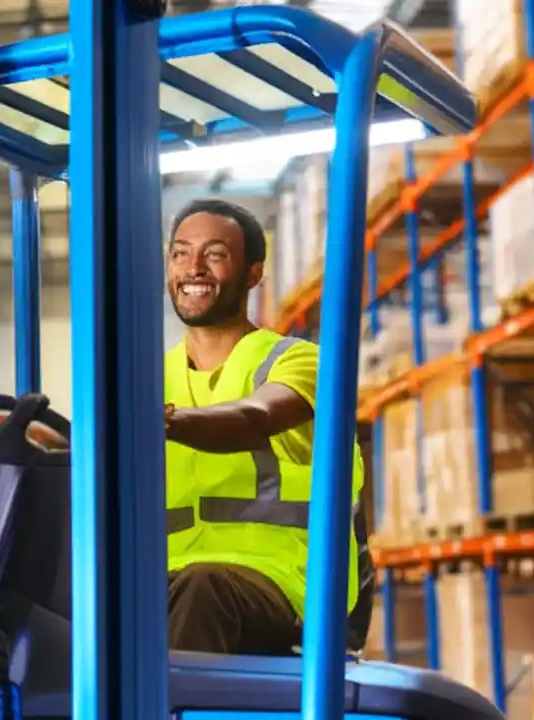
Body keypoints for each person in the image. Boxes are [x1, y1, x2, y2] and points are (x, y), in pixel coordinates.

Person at [162, 198, 373, 657]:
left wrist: (167, 422)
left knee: (203, 590)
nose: (193, 268)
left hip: (282, 581)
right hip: (167, 579)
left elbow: (256, 417)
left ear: (253, 273)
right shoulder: (150, 377)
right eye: (180, 253)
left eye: (214, 254)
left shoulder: (298, 361)